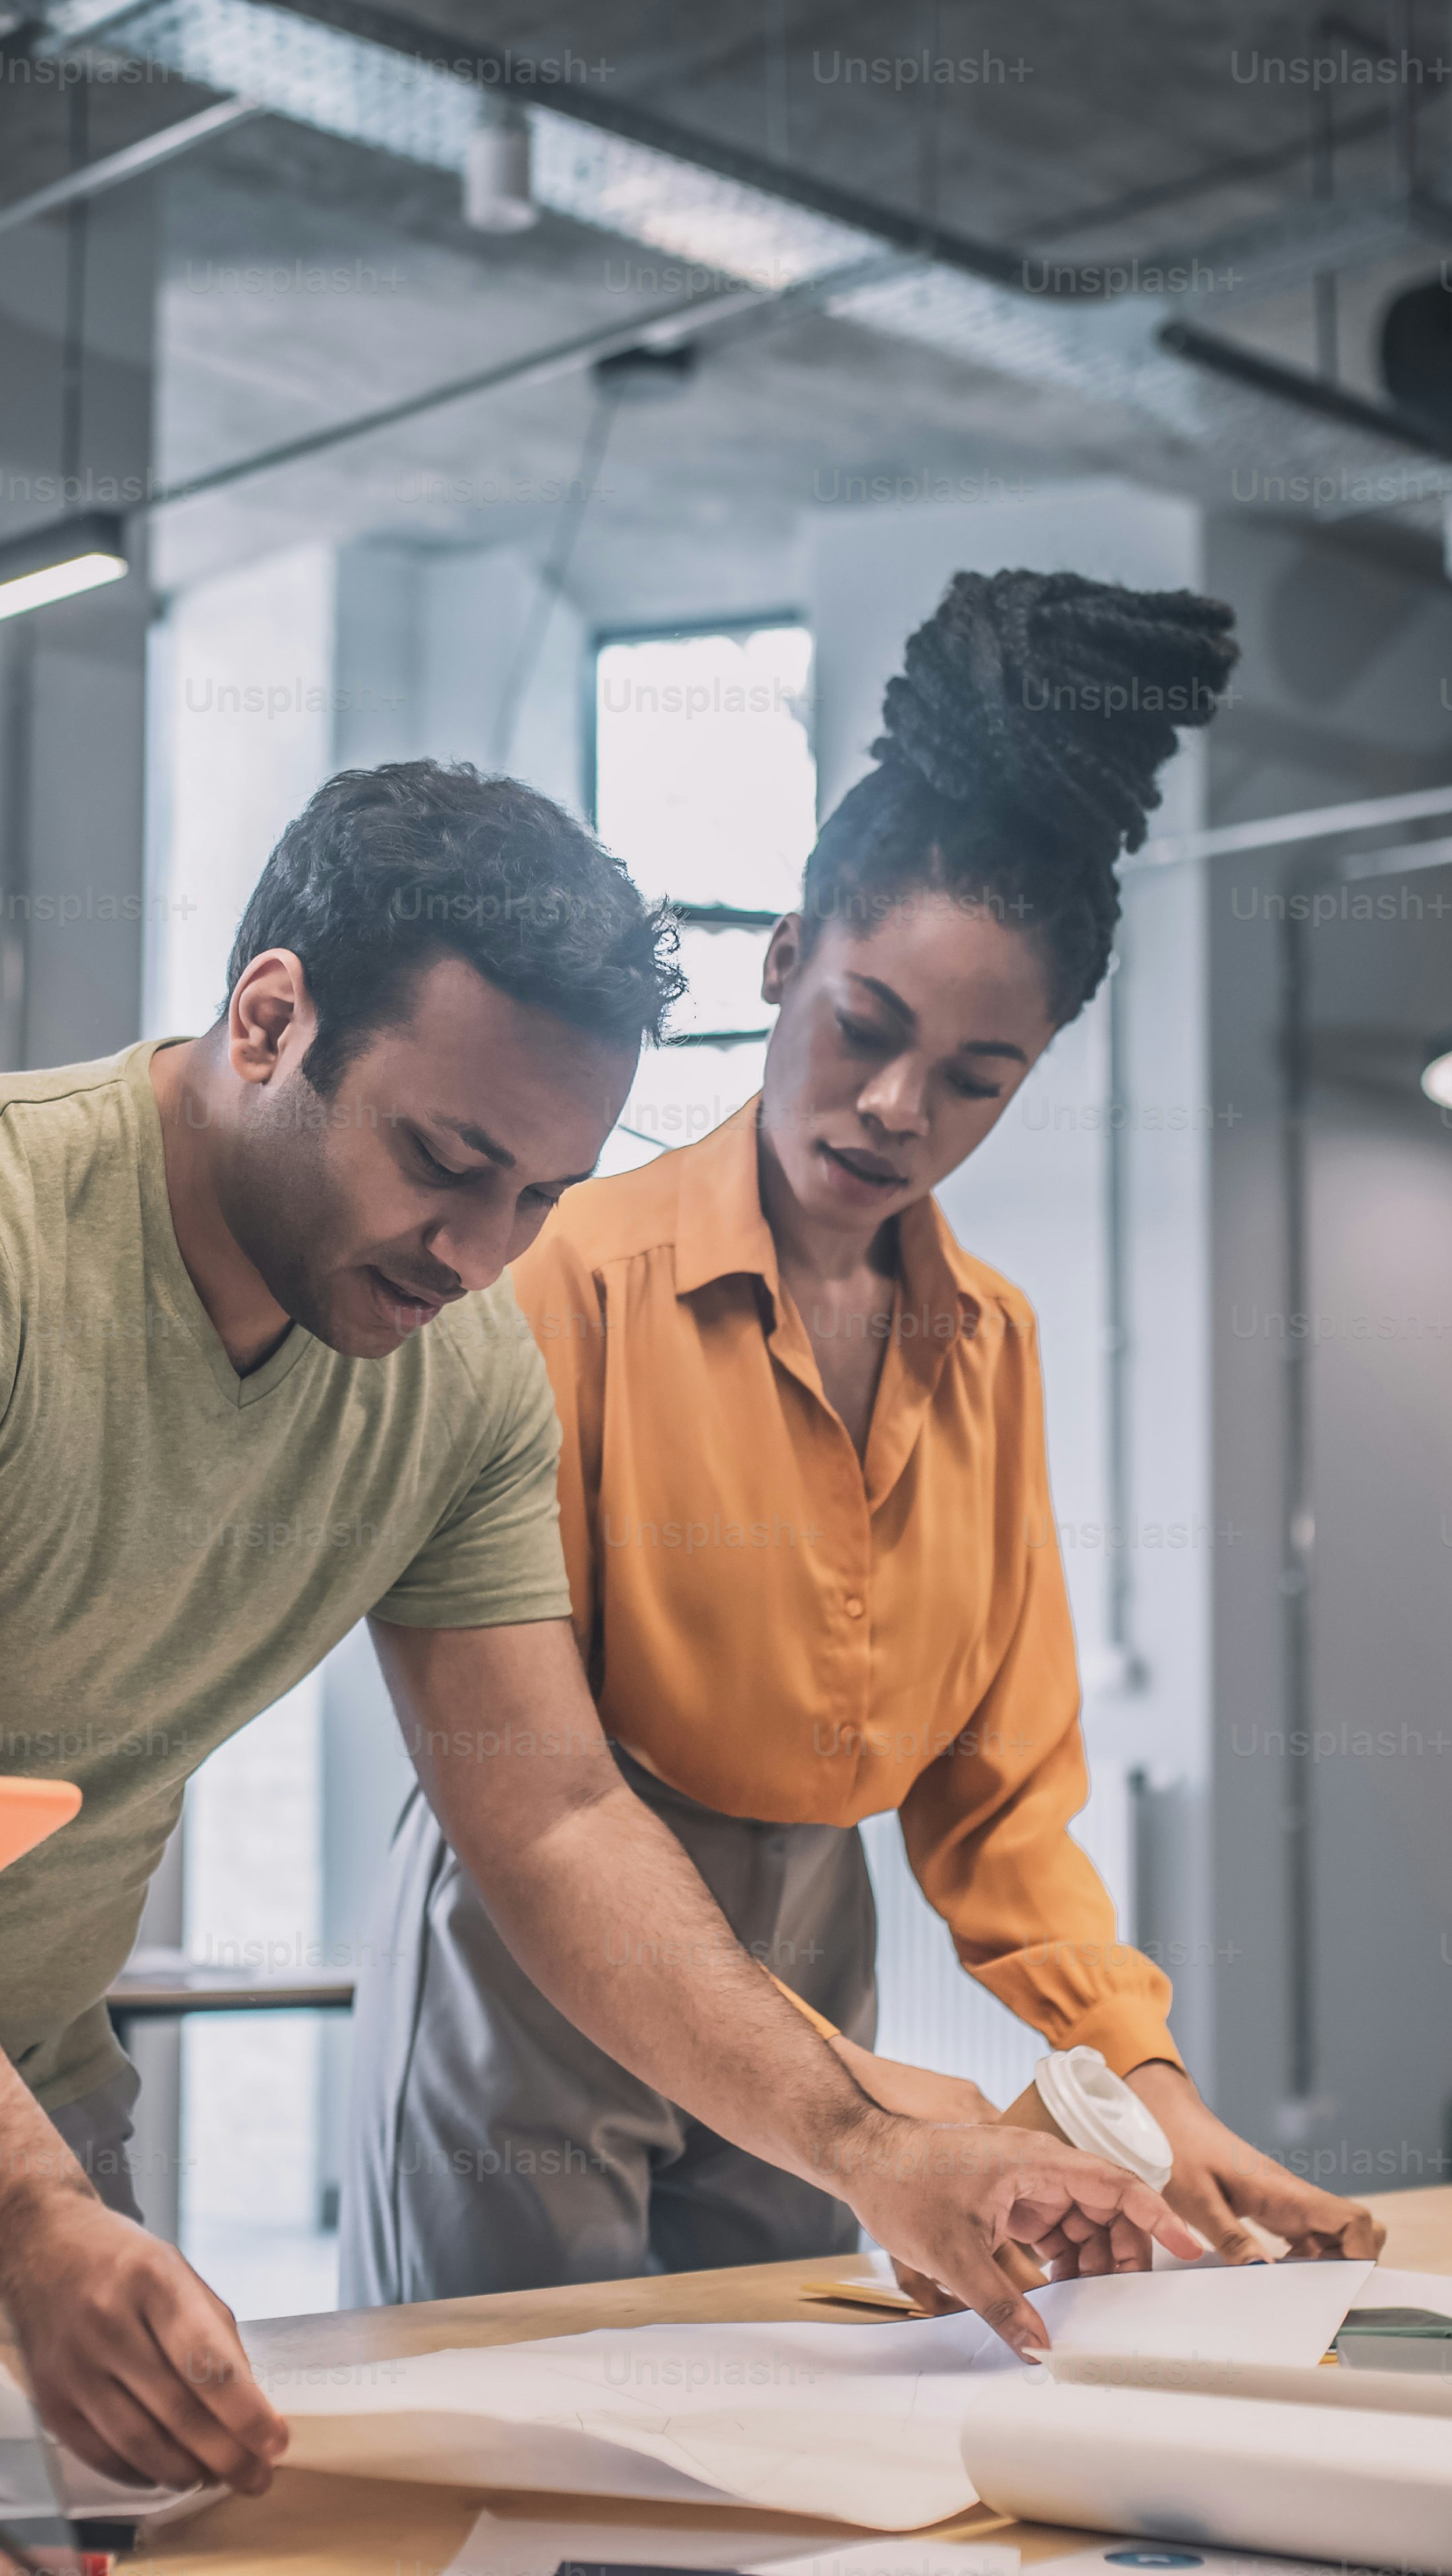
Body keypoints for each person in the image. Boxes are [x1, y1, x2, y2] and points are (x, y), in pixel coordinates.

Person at [0, 759, 1203, 2502]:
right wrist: (34, 2224)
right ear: (269, 1018)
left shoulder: (458, 1369)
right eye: (446, 1162)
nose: (479, 1250)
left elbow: (552, 1818)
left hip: (34, 2096)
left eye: (541, 1195)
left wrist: (873, 2150)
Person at [345, 570, 1386, 2304]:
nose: (902, 1109)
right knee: (526, 2445)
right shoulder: (568, 1278)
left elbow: (1002, 1798)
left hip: (813, 1951)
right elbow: (537, 1785)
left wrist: (1148, 2091)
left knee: (779, 2432)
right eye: (868, 1031)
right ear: (782, 962)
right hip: (544, 1937)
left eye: (978, 1076)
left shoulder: (994, 1346)